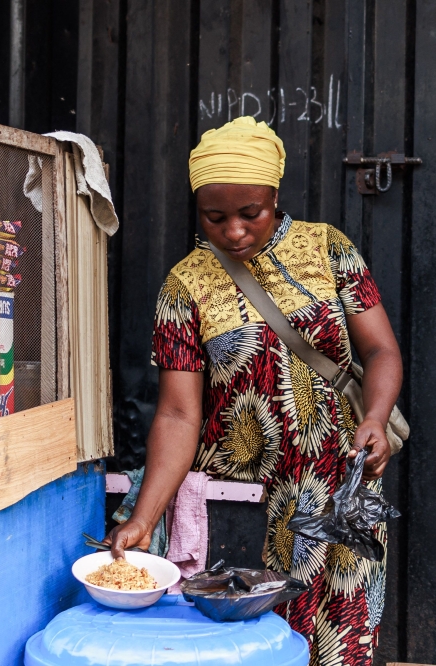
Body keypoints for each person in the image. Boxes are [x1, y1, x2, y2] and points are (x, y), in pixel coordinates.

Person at [107, 116, 404, 666]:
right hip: (242, 506)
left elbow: (381, 351)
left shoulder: (328, 249)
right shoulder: (184, 286)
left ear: (274, 197)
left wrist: (376, 418)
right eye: (214, 217)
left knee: (342, 638)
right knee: (244, 647)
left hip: (337, 493)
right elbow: (177, 415)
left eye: (251, 213)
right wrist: (144, 518)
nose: (235, 232)